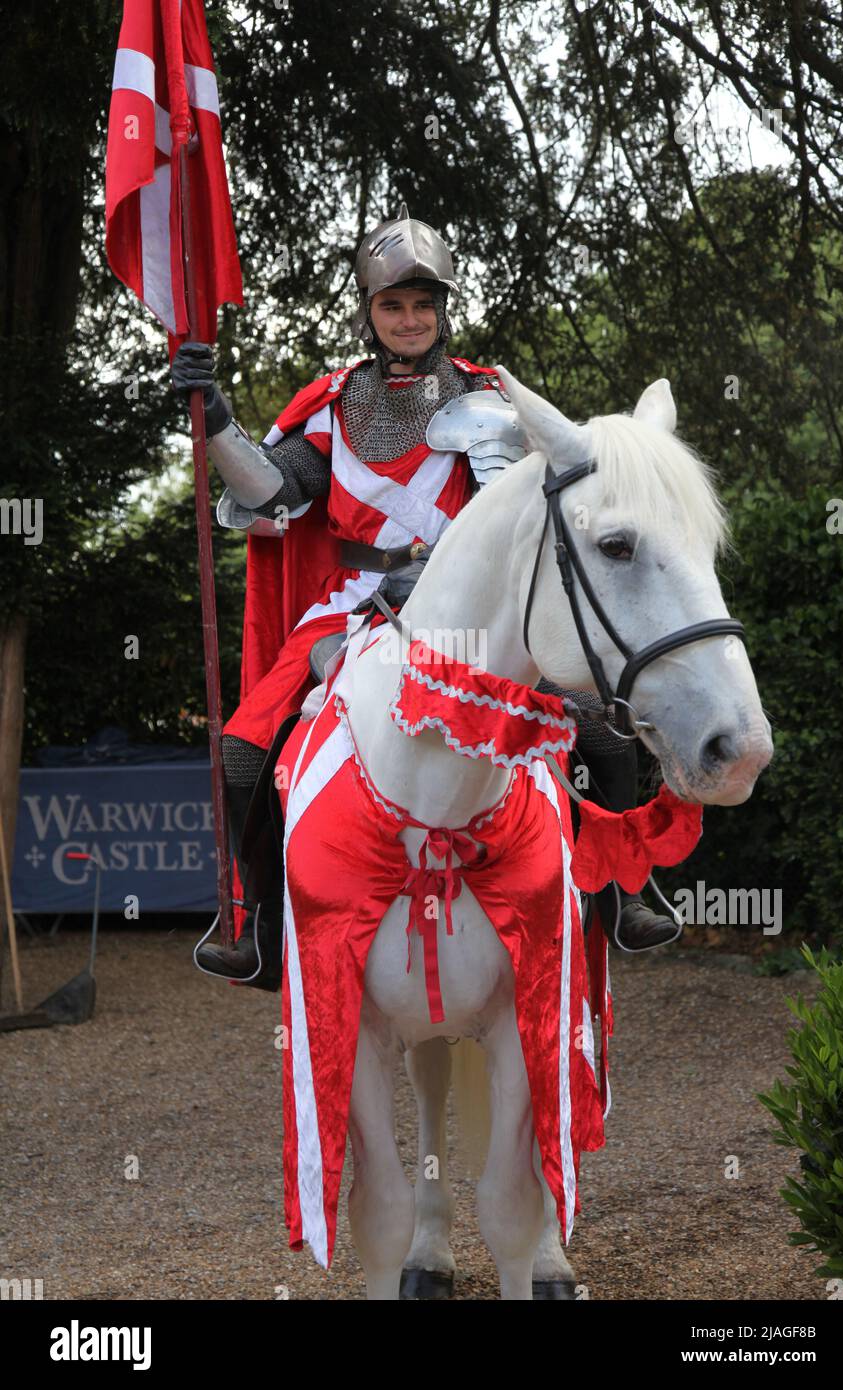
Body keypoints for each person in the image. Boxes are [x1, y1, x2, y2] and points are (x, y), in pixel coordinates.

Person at [171, 205, 678, 985]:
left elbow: (509, 520)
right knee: (243, 747)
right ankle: (259, 926)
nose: (409, 319)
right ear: (368, 313)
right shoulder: (334, 407)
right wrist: (218, 423)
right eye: (393, 304)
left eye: (423, 304)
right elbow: (274, 496)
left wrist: (433, 570)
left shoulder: (486, 404)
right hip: (347, 603)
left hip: (462, 601)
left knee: (592, 723)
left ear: (442, 312)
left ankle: (624, 897)